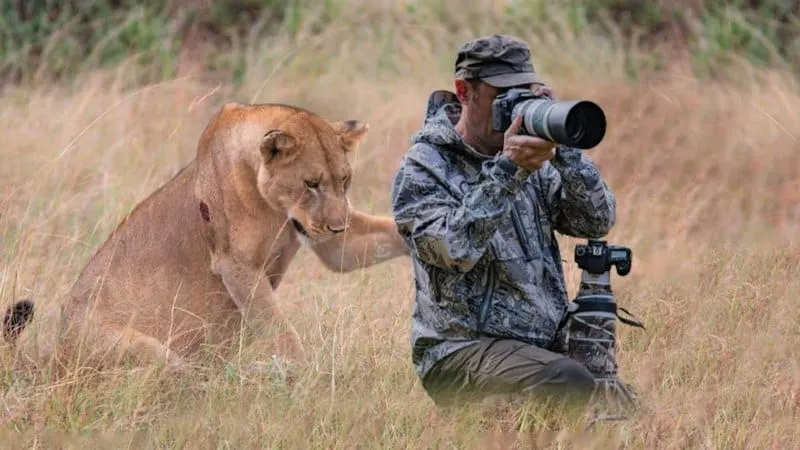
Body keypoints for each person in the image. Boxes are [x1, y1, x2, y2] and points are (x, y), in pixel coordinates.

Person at [390, 34, 617, 410]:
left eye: (523, 96)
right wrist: (509, 170)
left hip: (539, 351)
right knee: (569, 382)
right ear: (465, 92)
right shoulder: (424, 166)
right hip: (458, 352)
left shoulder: (534, 159)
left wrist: (566, 151)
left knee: (622, 408)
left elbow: (596, 220)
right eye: (502, 96)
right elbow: (454, 250)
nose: (514, 111)